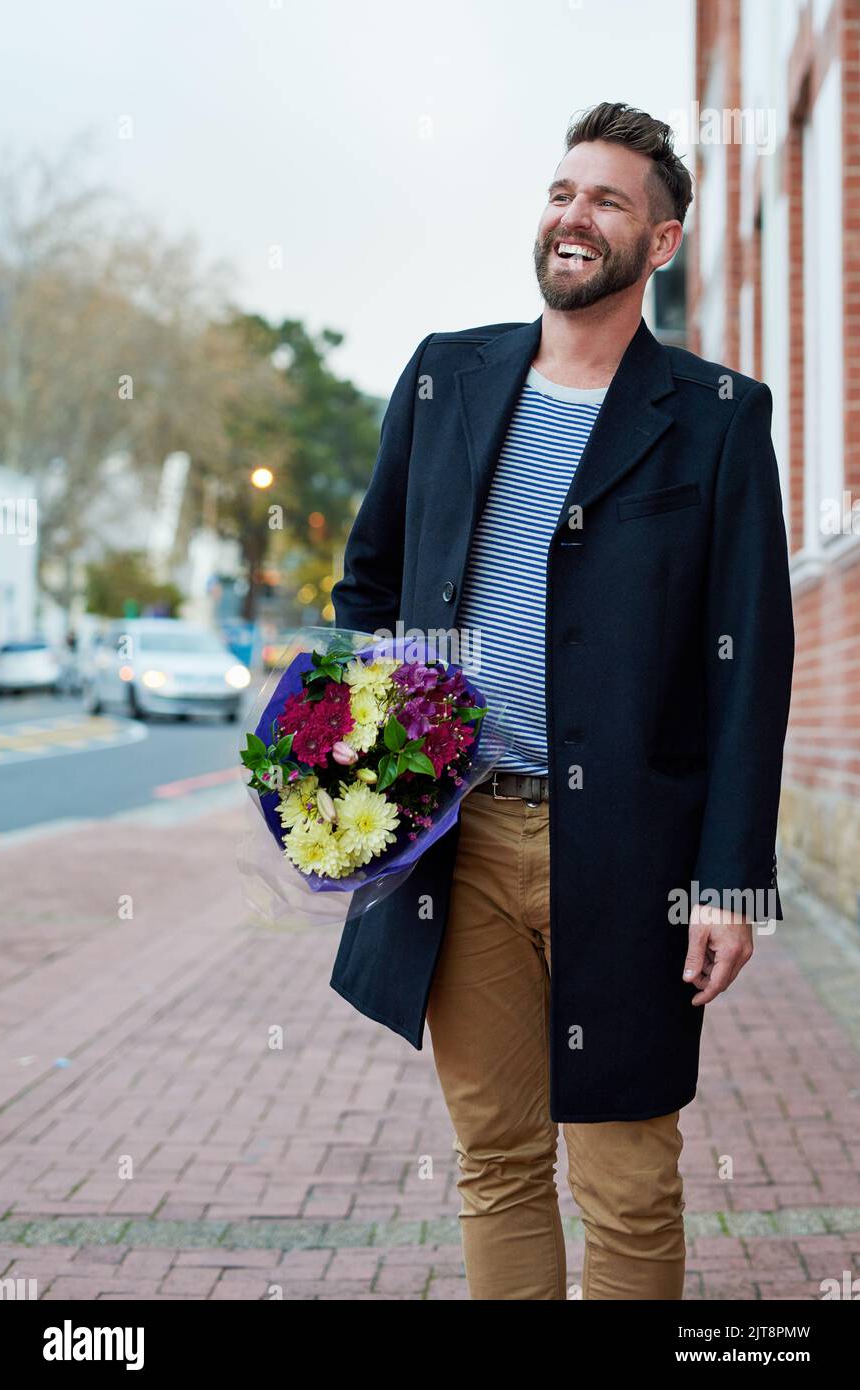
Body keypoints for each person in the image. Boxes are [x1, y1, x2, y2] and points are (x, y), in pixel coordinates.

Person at [329, 100, 795, 1300]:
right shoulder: (446, 375)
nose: (573, 216)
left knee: (631, 1183)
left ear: (663, 241)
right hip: (461, 837)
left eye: (607, 201)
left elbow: (751, 668)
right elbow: (367, 583)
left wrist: (730, 876)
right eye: (560, 191)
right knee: (496, 1158)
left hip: (632, 848)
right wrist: (358, 768)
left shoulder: (718, 420)